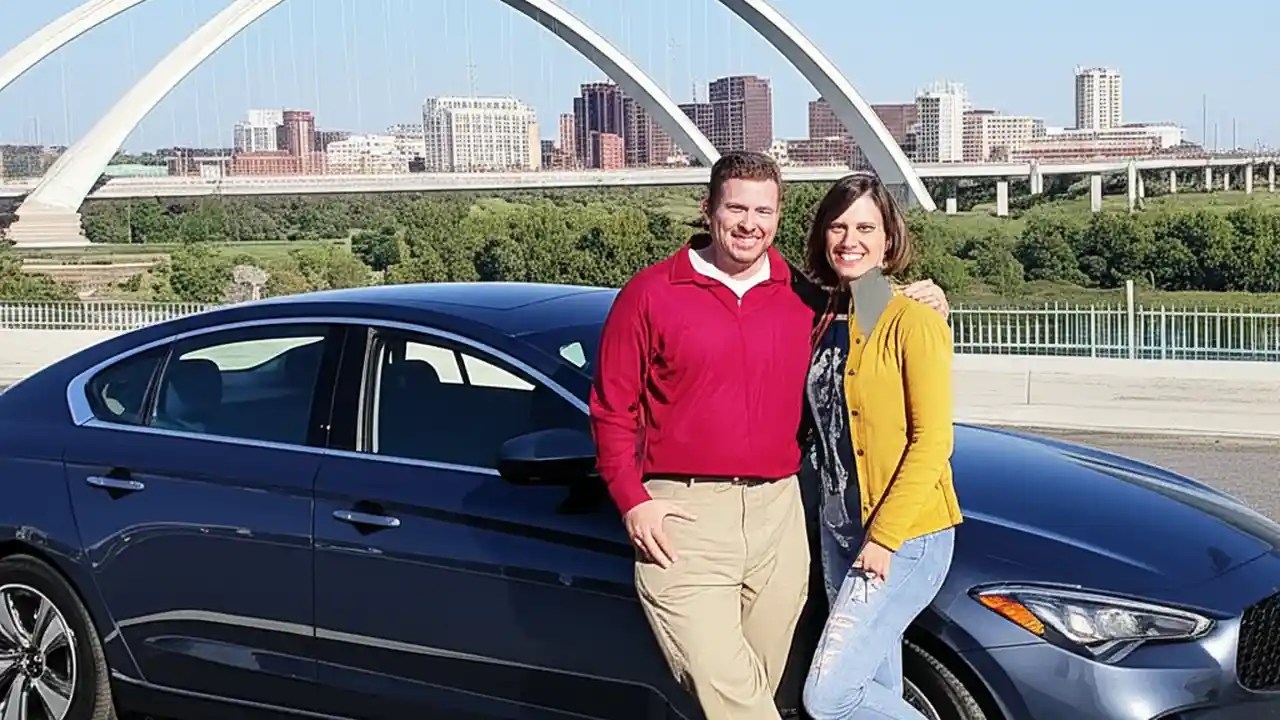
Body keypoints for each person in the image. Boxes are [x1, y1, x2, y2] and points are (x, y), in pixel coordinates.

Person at [587, 151, 950, 720]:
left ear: (778, 217)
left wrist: (926, 300)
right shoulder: (651, 293)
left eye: (764, 210)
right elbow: (612, 408)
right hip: (685, 518)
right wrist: (633, 501)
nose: (750, 223)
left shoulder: (804, 296)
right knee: (736, 695)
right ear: (709, 210)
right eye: (737, 207)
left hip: (780, 516)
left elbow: (889, 320)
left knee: (775, 688)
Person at [798, 172, 964, 720]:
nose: (851, 239)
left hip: (902, 538)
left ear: (888, 238)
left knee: (829, 697)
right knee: (878, 686)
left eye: (866, 227)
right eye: (839, 226)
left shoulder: (911, 321)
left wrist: (884, 540)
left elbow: (932, 441)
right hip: (840, 532)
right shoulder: (830, 316)